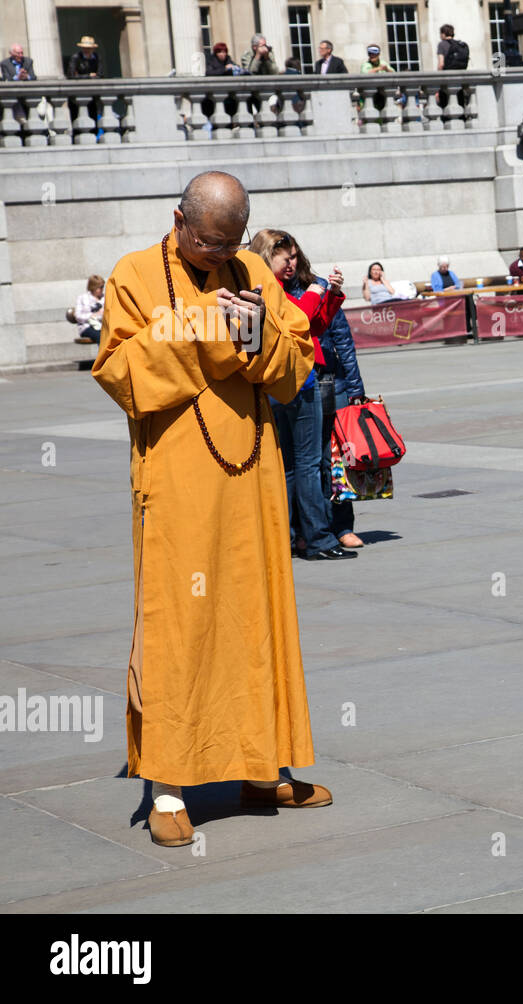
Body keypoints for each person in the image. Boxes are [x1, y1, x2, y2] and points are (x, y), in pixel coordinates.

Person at [90, 171, 330, 848]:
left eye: (227, 244)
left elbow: (295, 365)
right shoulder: (134, 275)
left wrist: (255, 342)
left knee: (256, 621)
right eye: (204, 245)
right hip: (179, 488)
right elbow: (120, 374)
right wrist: (209, 333)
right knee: (181, 626)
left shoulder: (253, 267)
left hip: (251, 479)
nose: (216, 257)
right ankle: (167, 786)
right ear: (178, 221)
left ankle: (262, 766)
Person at [251, 229, 352, 561]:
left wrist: (331, 295)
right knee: (310, 463)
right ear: (268, 256)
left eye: (294, 256)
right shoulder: (268, 288)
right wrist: (315, 291)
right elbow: (299, 319)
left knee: (294, 465)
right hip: (298, 380)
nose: (292, 263)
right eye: (285, 257)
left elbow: (315, 327)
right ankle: (319, 537)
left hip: (285, 383)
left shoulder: (270, 287)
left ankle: (296, 537)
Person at [302, 262, 367, 551]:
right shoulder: (277, 291)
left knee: (335, 461)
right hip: (298, 387)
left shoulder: (320, 289)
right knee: (307, 463)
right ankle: (308, 528)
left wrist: (355, 389)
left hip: (332, 383)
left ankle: (341, 526)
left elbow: (343, 341)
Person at [73, 275, 106, 344]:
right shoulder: (82, 298)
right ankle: (104, 354)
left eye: (103, 286)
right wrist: (94, 315)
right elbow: (78, 316)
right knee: (101, 336)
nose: (102, 289)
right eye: (100, 287)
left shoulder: (105, 298)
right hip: (87, 327)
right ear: (93, 287)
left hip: (104, 326)